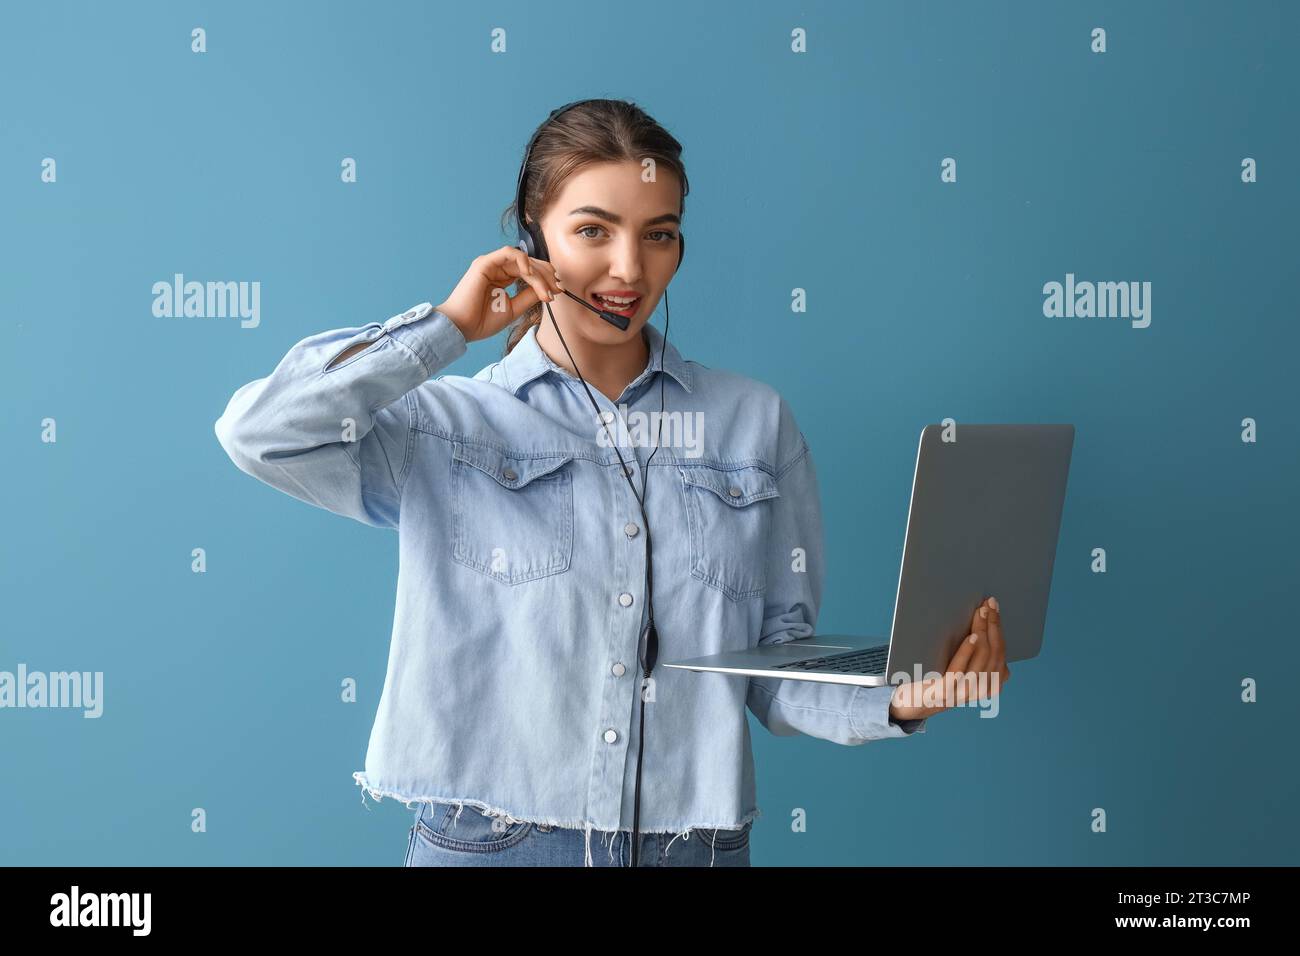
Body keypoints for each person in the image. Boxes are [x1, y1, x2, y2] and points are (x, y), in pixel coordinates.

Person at [213, 98, 1010, 868]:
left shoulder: (754, 424)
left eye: (658, 236)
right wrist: (449, 327)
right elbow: (262, 433)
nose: (629, 269)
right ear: (533, 236)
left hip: (693, 852)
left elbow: (775, 672)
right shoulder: (442, 425)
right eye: (593, 230)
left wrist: (909, 697)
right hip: (492, 849)